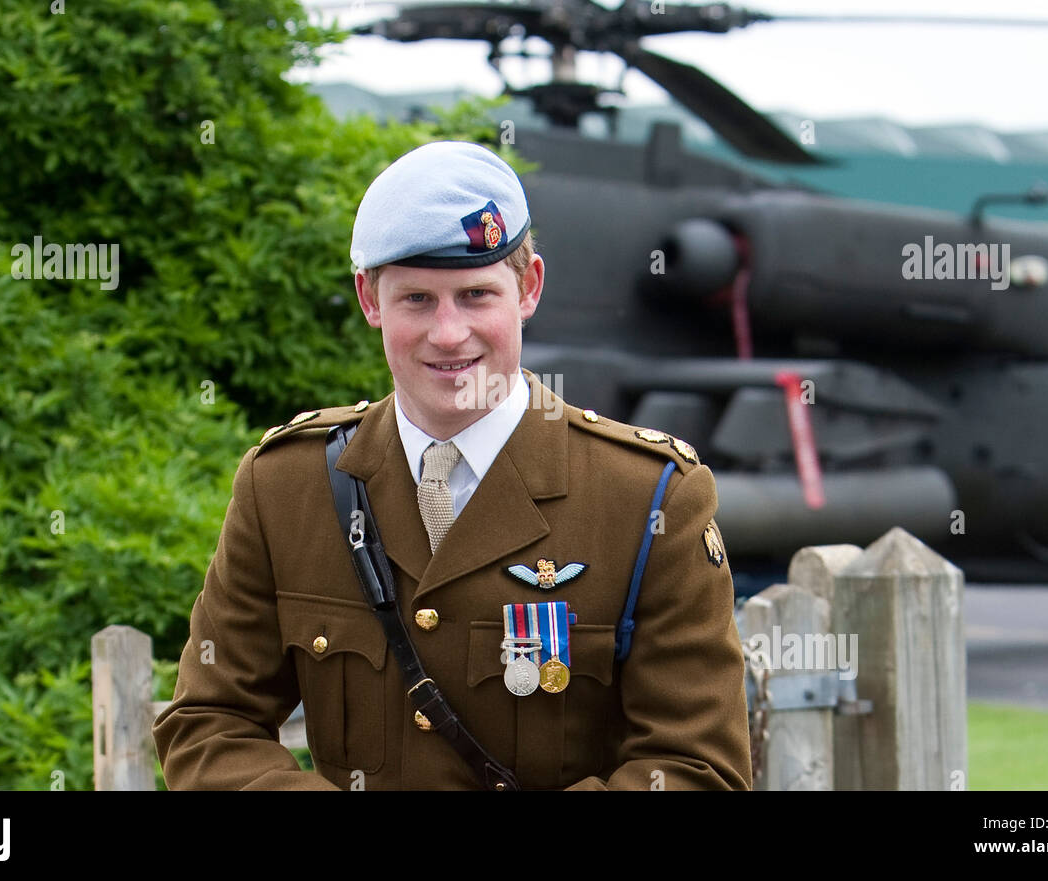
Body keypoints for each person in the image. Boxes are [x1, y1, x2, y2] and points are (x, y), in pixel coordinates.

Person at [153, 140, 752, 790]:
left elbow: (699, 768)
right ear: (369, 299)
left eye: (475, 294)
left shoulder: (649, 499)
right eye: (416, 299)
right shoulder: (285, 485)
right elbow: (209, 723)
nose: (447, 332)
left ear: (528, 288)